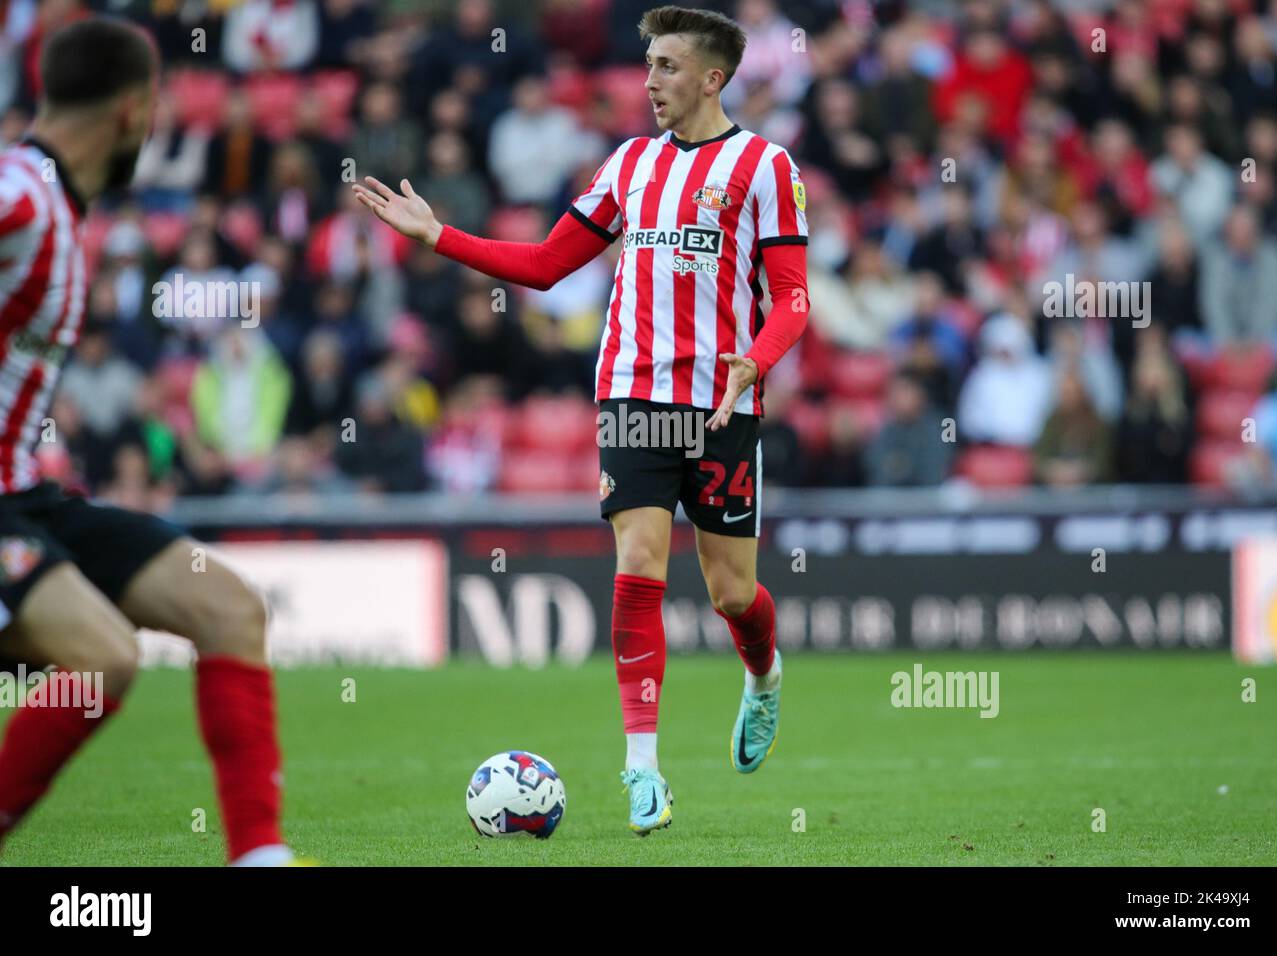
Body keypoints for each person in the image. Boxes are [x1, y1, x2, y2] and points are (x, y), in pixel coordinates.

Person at [355, 4, 809, 835]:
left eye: (668, 66)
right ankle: (642, 772)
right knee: (638, 560)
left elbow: (792, 297)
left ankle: (765, 673)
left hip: (721, 404)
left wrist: (760, 357)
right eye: (647, 66)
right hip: (633, 393)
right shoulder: (630, 164)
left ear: (713, 77)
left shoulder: (764, 167)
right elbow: (544, 265)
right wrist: (439, 235)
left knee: (731, 592)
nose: (650, 81)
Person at [0, 18, 302, 867]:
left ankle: (259, 859)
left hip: (25, 494)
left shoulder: (58, 203)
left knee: (228, 609)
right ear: (134, 111)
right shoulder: (23, 193)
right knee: (103, 658)